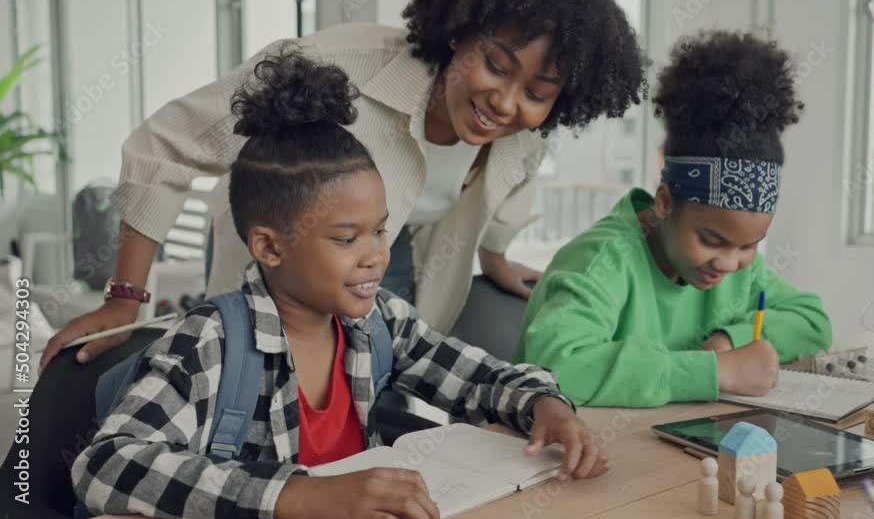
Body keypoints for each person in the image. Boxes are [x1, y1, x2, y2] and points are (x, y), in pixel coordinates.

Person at [40, 0, 646, 372]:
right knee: (251, 401)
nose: (507, 103)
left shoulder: (522, 136)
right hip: (274, 268)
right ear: (461, 32)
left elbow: (493, 203)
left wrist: (493, 258)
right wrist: (125, 298)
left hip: (394, 268)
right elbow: (164, 145)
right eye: (496, 66)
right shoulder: (336, 64)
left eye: (538, 94)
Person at [72, 50, 608, 519]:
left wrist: (545, 407)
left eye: (379, 230)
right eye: (347, 239)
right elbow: (105, 464)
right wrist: (298, 498)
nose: (376, 255)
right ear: (270, 247)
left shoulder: (380, 323)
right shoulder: (211, 342)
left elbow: (477, 379)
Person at [514, 30, 833, 407]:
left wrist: (730, 339)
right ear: (664, 201)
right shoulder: (602, 263)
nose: (730, 262)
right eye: (711, 240)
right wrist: (714, 370)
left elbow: (814, 322)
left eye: (750, 245)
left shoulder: (740, 270)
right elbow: (554, 368)